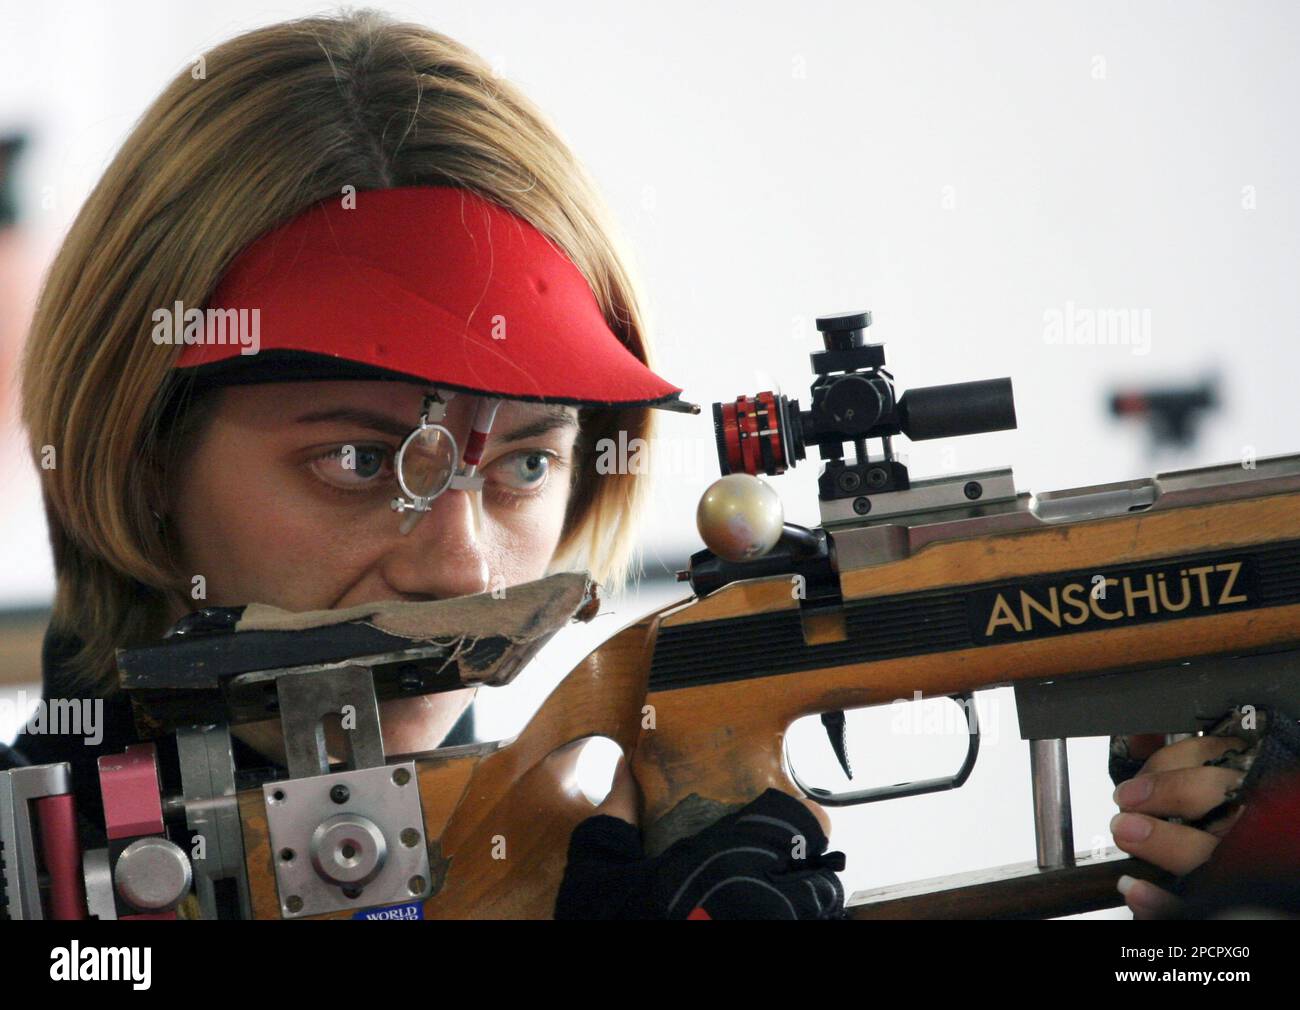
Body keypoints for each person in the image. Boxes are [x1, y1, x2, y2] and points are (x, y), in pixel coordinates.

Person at [1, 10, 1284, 919]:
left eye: (522, 464)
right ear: (139, 456)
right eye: (355, 456)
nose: (461, 556)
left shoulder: (580, 862)